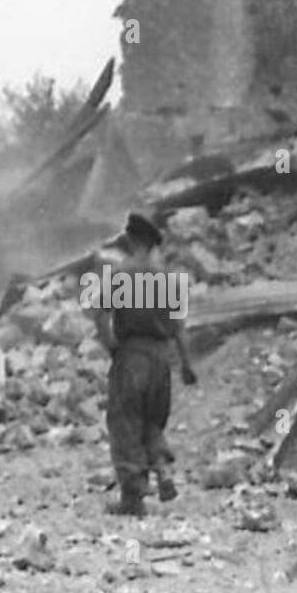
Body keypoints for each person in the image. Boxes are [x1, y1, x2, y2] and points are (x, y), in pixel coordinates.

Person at [92, 212, 197, 517]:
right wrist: (186, 366)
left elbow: (100, 315)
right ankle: (163, 471)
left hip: (132, 356)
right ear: (152, 244)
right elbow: (179, 327)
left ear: (131, 240)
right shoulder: (167, 278)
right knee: (152, 422)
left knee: (126, 422)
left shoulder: (122, 275)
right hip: (161, 361)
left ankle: (133, 498)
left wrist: (110, 344)